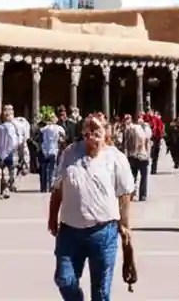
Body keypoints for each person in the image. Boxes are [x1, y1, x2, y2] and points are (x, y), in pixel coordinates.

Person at [48, 113, 134, 301]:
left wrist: (125, 227)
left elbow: (124, 195)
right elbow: (58, 187)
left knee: (101, 293)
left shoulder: (115, 158)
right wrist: (52, 217)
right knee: (64, 279)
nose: (91, 138)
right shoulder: (70, 153)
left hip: (103, 232)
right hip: (70, 231)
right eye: (87, 133)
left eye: (96, 133)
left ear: (106, 133)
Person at [121, 114, 151, 201]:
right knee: (143, 176)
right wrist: (148, 154)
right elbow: (147, 141)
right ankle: (143, 195)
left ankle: (131, 193)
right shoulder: (145, 129)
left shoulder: (128, 130)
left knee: (133, 175)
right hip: (143, 155)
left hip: (132, 155)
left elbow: (125, 144)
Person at [0, 109, 20, 199]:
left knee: (3, 173)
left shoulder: (2, 127)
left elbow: (1, 142)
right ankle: (9, 188)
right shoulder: (14, 127)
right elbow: (16, 140)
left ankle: (4, 191)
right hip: (12, 152)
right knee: (10, 172)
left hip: (4, 152)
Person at [40, 112, 68, 193]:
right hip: (54, 150)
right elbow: (63, 139)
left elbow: (40, 139)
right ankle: (51, 185)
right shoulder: (59, 128)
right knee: (53, 168)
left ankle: (44, 187)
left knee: (44, 169)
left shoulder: (43, 129)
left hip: (44, 150)